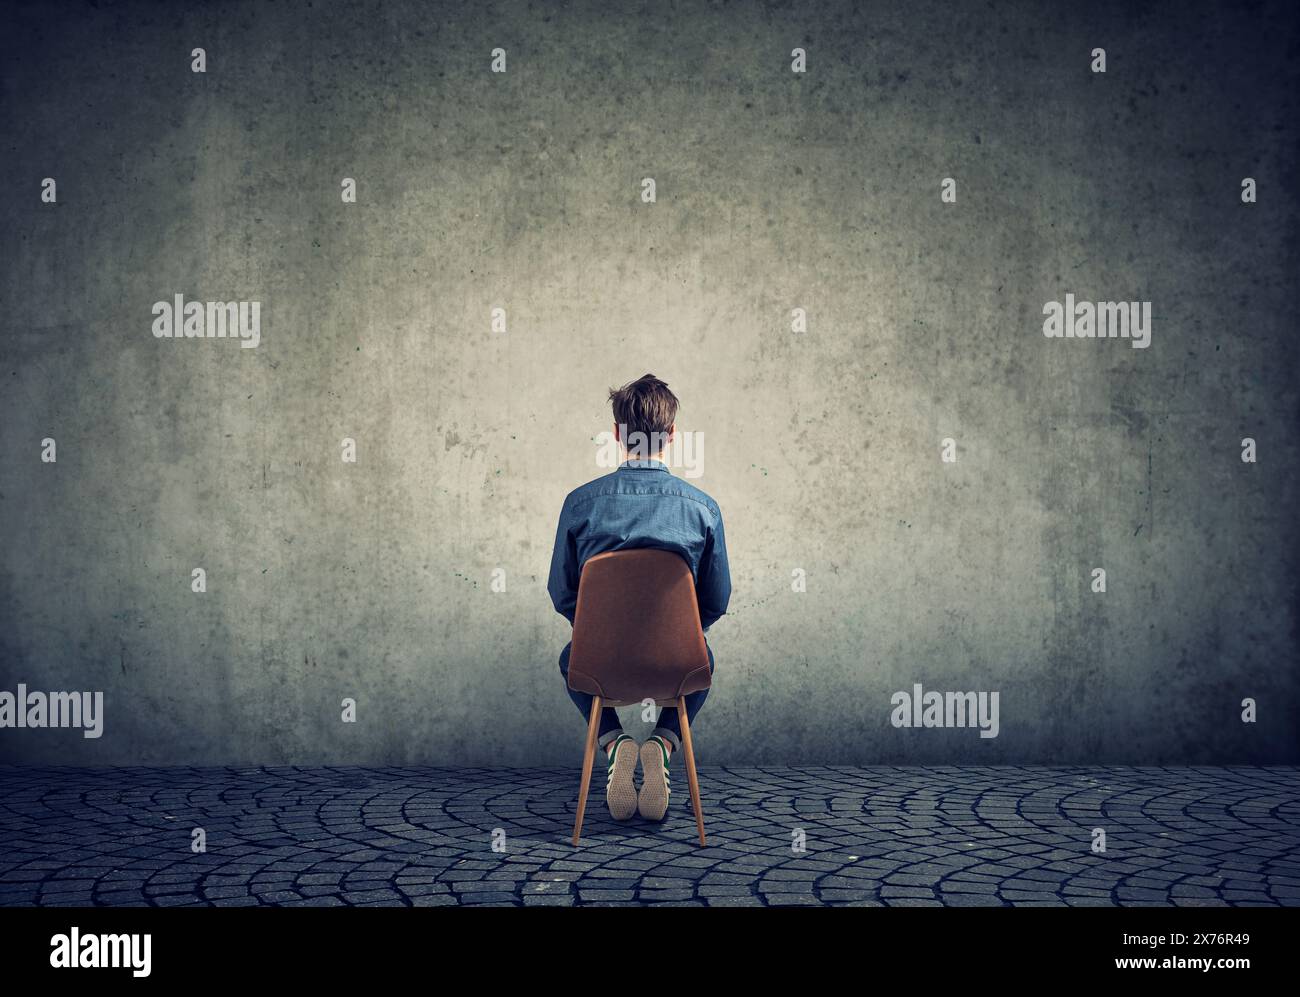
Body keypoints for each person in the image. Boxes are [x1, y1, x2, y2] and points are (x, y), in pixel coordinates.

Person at [547, 373, 731, 822]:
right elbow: (717, 598)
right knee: (704, 659)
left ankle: (615, 743)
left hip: (599, 660)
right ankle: (663, 744)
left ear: (615, 434)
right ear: (671, 436)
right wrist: (678, 633)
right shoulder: (702, 508)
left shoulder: (580, 504)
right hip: (677, 660)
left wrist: (599, 630)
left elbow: (561, 592)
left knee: (568, 660)